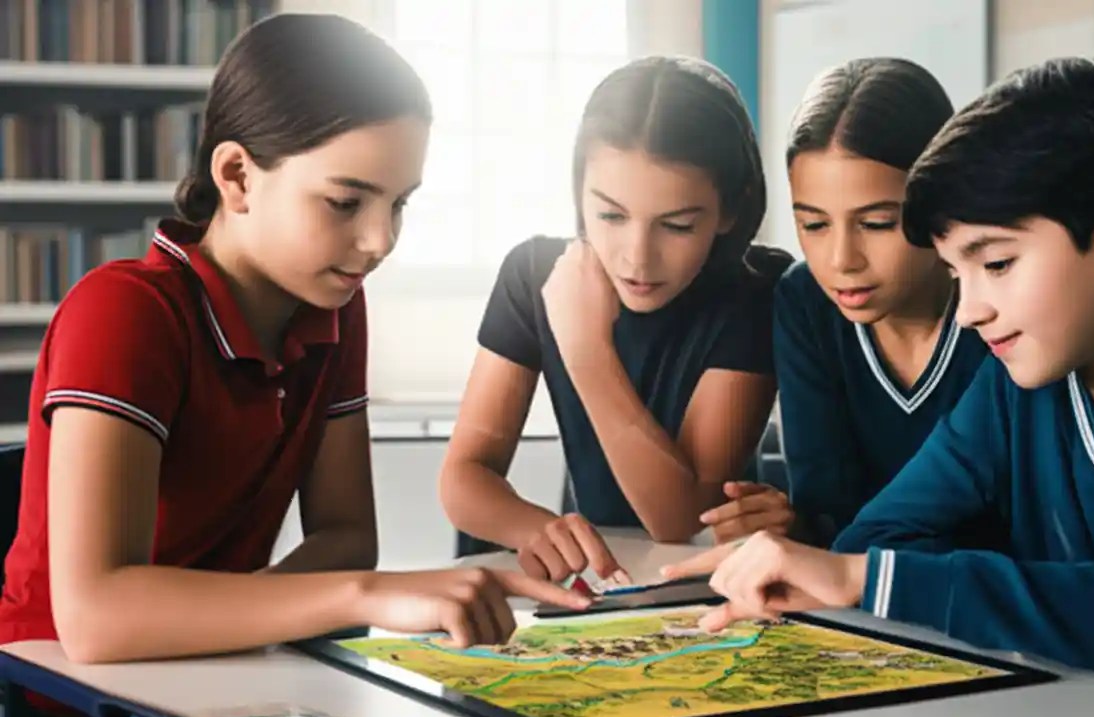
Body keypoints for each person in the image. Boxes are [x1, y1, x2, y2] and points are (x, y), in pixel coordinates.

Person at [0, 14, 588, 667]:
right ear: (237, 177)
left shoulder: (334, 304)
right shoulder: (124, 312)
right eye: (344, 203)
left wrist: (242, 616)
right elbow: (98, 621)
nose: (380, 241)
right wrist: (363, 596)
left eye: (399, 204)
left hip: (218, 674)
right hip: (59, 687)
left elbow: (345, 536)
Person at [663, 58, 1094, 679]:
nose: (970, 311)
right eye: (957, 273)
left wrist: (870, 579)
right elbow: (872, 537)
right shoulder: (1023, 380)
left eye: (998, 264)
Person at [440, 56, 793, 584]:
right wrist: (540, 531)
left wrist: (585, 347)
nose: (636, 258)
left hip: (708, 581)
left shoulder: (757, 291)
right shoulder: (535, 274)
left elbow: (675, 519)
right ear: (579, 193)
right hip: (601, 583)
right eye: (609, 216)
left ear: (731, 212)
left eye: (675, 226)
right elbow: (466, 476)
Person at [698, 59, 986, 547]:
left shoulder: (999, 311)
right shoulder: (806, 301)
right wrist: (794, 525)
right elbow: (826, 509)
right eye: (813, 224)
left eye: (876, 224)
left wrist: (833, 541)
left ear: (943, 200)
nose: (840, 260)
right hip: (856, 602)